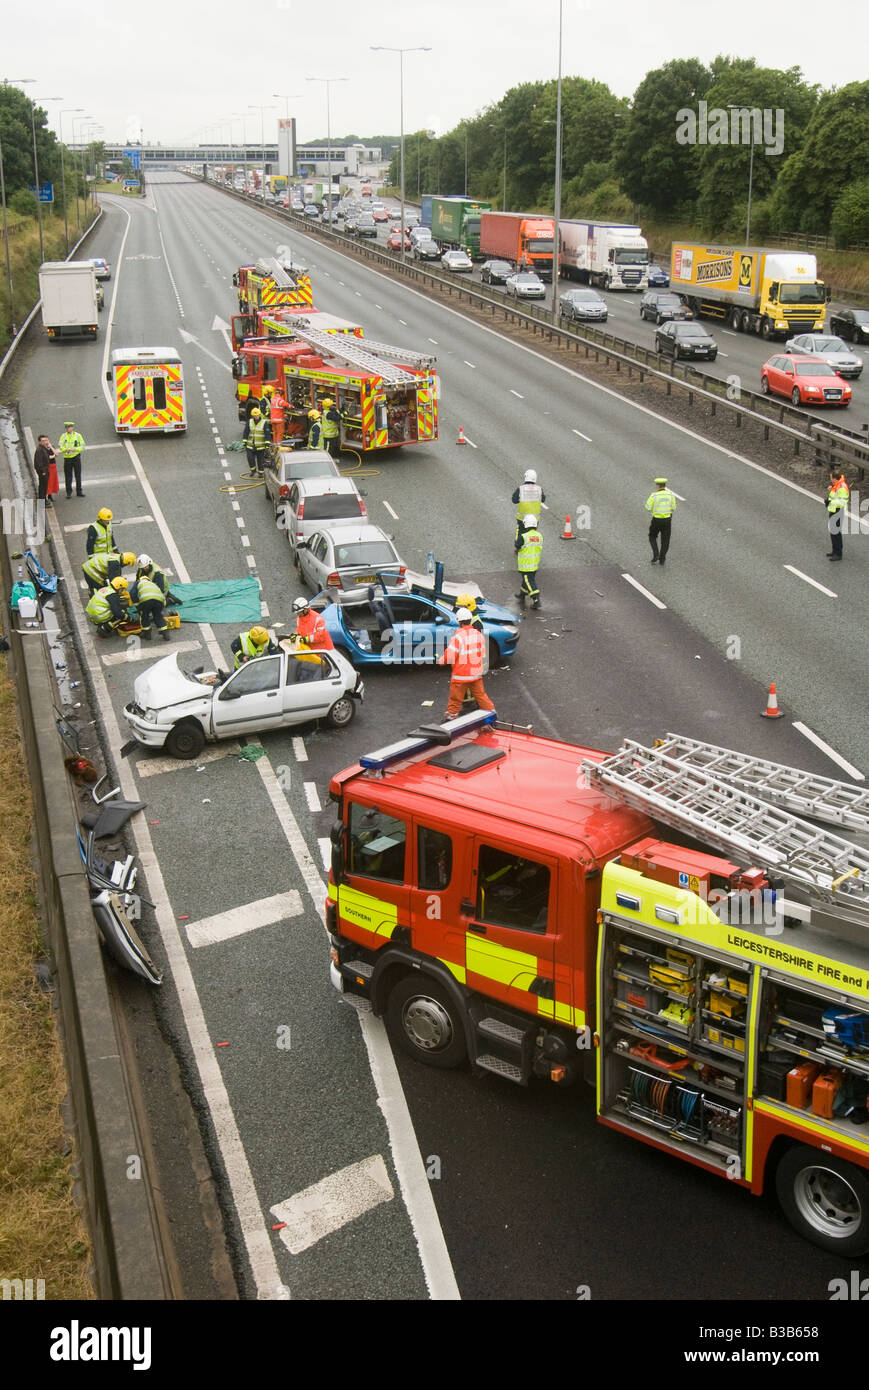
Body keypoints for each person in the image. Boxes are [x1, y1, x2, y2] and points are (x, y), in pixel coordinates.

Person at [438, 607, 495, 720]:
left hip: (461, 676)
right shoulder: (478, 635)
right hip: (475, 674)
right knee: (481, 696)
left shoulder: (458, 638)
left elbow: (449, 657)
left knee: (455, 700)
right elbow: (482, 653)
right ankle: (491, 714)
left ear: (459, 621)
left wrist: (440, 661)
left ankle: (451, 718)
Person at [129, 569, 171, 641]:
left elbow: (132, 593)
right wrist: (162, 606)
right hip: (159, 600)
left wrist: (138, 606)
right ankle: (165, 632)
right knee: (158, 615)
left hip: (146, 601)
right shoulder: (153, 584)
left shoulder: (138, 582)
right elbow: (161, 594)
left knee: (144, 615)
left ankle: (146, 633)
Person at [645, 475, 677, 565]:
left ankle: (656, 554)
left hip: (656, 520)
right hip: (667, 520)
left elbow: (647, 507)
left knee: (652, 536)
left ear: (658, 486)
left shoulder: (654, 495)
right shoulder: (671, 495)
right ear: (665, 485)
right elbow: (674, 507)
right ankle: (662, 558)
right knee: (665, 540)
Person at [515, 514, 543, 608]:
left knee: (529, 581)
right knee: (527, 580)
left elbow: (517, 545)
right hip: (534, 564)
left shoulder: (524, 536)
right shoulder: (539, 536)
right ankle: (522, 595)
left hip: (526, 565)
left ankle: (536, 600)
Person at [512, 468, 545, 541]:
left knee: (520, 534)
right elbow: (543, 499)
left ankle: (518, 547)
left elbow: (514, 500)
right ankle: (531, 548)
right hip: (535, 519)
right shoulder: (539, 489)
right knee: (531, 535)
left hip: (522, 518)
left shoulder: (521, 489)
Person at [826, 467, 850, 561]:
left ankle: (838, 553)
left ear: (835, 478)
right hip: (833, 510)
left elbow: (842, 502)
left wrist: (830, 502)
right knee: (833, 531)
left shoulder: (841, 487)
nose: (830, 479)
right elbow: (835, 496)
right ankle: (835, 551)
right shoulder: (836, 485)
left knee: (836, 532)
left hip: (838, 511)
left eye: (831, 478)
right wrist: (831, 490)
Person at [58, 421, 86, 498]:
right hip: (67, 458)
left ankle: (79, 491)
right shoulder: (63, 436)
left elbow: (83, 445)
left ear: (72, 428)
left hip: (76, 457)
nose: (68, 429)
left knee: (78, 475)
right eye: (66, 427)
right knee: (68, 476)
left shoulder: (78, 435)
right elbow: (60, 445)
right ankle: (68, 492)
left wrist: (76, 449)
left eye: (69, 427)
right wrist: (65, 449)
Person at [243, 406, 271, 476]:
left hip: (260, 447)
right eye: (254, 415)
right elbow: (246, 432)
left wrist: (267, 444)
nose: (256, 417)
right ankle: (253, 471)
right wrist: (245, 441)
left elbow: (267, 433)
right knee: (250, 459)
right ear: (252, 415)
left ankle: (260, 473)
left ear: (259, 415)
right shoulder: (249, 422)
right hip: (250, 445)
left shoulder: (264, 423)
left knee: (260, 460)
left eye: (257, 415)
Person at [33, 435, 60, 507]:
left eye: (46, 440)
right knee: (43, 487)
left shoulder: (43, 448)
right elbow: (39, 463)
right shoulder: (40, 450)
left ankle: (44, 500)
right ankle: (43, 502)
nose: (45, 442)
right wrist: (43, 471)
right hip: (43, 471)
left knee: (44, 487)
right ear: (40, 442)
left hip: (45, 470)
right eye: (43, 441)